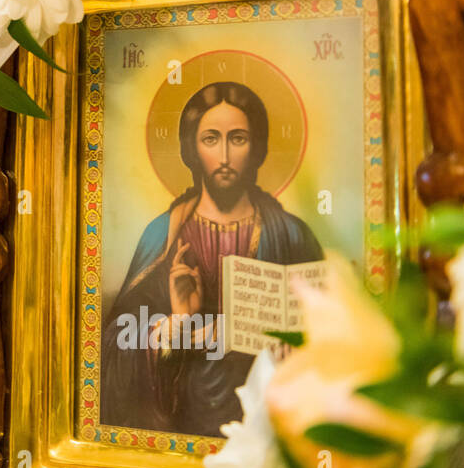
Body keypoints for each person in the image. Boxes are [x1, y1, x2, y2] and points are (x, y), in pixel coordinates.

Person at [100, 81, 322, 437]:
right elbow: (113, 348)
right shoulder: (163, 236)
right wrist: (178, 324)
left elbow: (328, 332)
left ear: (257, 147)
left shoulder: (291, 235)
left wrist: (285, 340)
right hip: (181, 418)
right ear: (192, 148)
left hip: (269, 417)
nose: (223, 156)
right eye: (210, 139)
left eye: (237, 138)